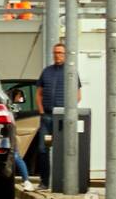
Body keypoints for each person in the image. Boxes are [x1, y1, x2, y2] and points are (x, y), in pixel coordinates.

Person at [31, 41, 82, 188]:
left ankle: (63, 181)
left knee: (63, 149)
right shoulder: (46, 71)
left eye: (60, 53)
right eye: (55, 53)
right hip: (47, 117)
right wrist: (41, 111)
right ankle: (44, 182)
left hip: (62, 119)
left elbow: (78, 95)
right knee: (43, 148)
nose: (57, 55)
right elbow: (38, 94)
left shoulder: (71, 72)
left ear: (65, 55)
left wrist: (68, 112)